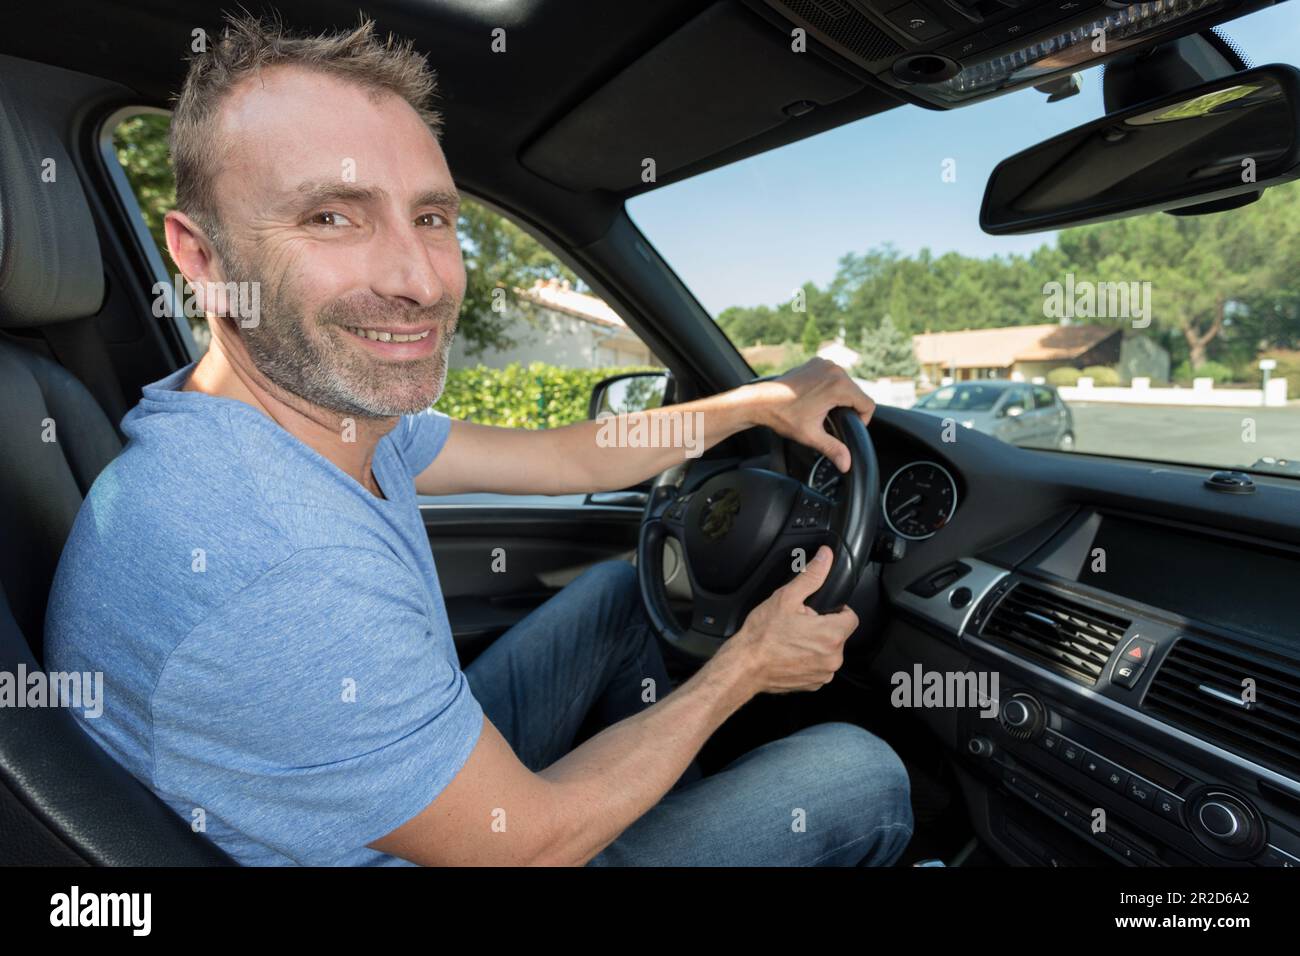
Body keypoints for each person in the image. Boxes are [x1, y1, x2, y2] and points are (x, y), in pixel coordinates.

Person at [44, 12, 912, 866]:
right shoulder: (279, 562)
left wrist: (758, 402)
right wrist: (749, 666)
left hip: (404, 800)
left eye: (430, 218)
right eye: (332, 219)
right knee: (857, 771)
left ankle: (649, 792)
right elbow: (529, 848)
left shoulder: (297, 423)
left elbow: (568, 457)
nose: (419, 281)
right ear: (200, 258)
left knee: (616, 596)